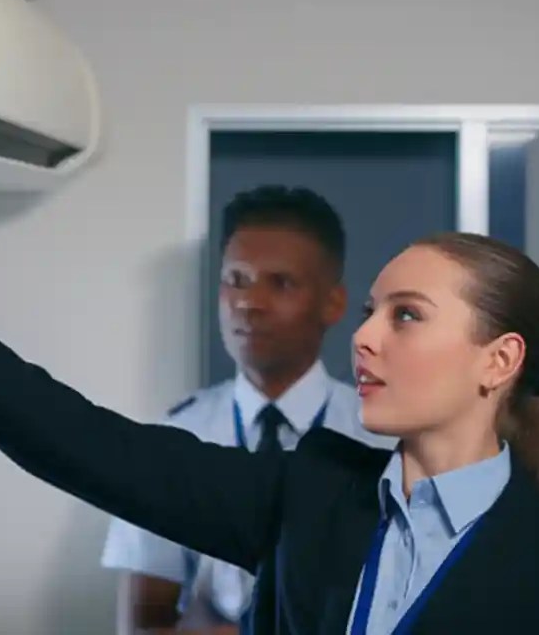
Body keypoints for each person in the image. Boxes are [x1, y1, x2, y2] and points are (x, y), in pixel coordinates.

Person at [0, 152, 539, 634]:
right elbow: (69, 436)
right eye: (369, 310)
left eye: (406, 316)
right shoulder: (308, 491)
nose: (364, 335)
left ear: (498, 360)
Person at [100, 185, 395, 634]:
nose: (248, 302)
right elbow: (140, 626)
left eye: (281, 283)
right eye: (236, 279)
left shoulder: (383, 438)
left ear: (333, 303)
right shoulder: (174, 438)